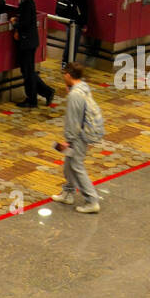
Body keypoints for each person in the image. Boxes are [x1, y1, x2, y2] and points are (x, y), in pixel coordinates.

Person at [51, 63, 100, 213]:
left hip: (78, 136)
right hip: (85, 133)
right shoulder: (83, 87)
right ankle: (68, 192)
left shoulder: (74, 95)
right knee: (69, 165)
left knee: (77, 166)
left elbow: (74, 120)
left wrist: (69, 140)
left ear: (68, 75)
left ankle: (92, 200)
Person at [10, 0, 55, 108]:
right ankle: (46, 92)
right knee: (27, 71)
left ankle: (33, 99)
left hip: (27, 43)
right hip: (30, 42)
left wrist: (15, 23)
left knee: (28, 72)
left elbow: (25, 23)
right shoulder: (27, 2)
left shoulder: (25, 3)